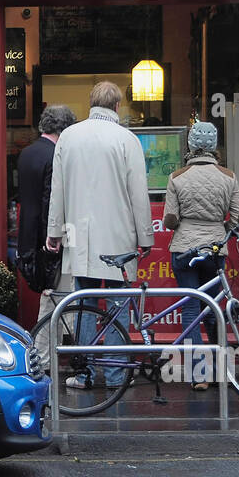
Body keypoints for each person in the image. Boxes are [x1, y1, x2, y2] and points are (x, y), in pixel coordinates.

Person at [45, 81, 155, 389]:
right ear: (118, 106)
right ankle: (119, 374)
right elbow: (138, 193)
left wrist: (54, 231)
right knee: (119, 305)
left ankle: (85, 373)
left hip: (79, 236)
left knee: (84, 304)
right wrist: (145, 236)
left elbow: (58, 191)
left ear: (90, 103)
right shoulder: (127, 139)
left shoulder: (68, 136)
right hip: (118, 236)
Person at [164, 120, 239, 390]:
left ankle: (199, 374)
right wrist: (220, 226)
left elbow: (170, 220)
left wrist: (185, 222)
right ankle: (220, 368)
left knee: (190, 307)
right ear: (214, 146)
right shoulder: (228, 176)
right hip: (214, 249)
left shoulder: (177, 177)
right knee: (213, 307)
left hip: (184, 249)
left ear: (190, 145)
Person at [15, 105, 78, 339]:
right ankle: (52, 352)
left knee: (51, 294)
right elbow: (49, 202)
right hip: (49, 237)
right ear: (64, 130)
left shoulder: (27, 153)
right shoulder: (55, 156)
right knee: (58, 295)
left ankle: (53, 350)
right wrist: (54, 237)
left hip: (28, 234)